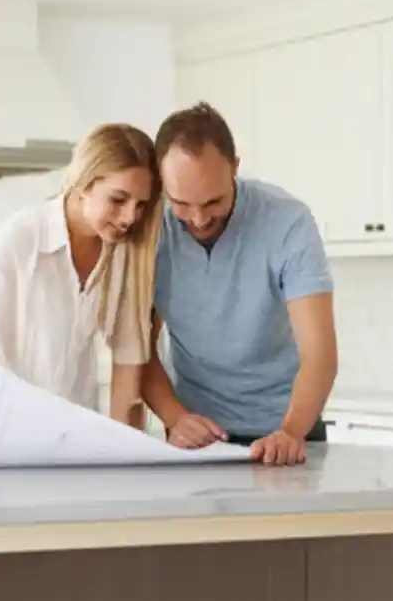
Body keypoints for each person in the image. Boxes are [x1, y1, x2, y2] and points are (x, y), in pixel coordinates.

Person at [139, 102, 338, 466]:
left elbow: (319, 355)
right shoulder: (150, 229)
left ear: (235, 167)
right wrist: (174, 417)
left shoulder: (287, 222)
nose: (198, 219)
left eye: (213, 201)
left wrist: (291, 432)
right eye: (181, 203)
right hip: (196, 439)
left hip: (288, 432)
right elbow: (139, 348)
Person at [0, 123, 162, 427]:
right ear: (84, 183)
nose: (130, 218)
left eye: (141, 205)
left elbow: (128, 362)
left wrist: (125, 457)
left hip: (74, 439)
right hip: (6, 432)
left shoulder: (124, 251)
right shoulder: (20, 239)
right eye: (118, 200)